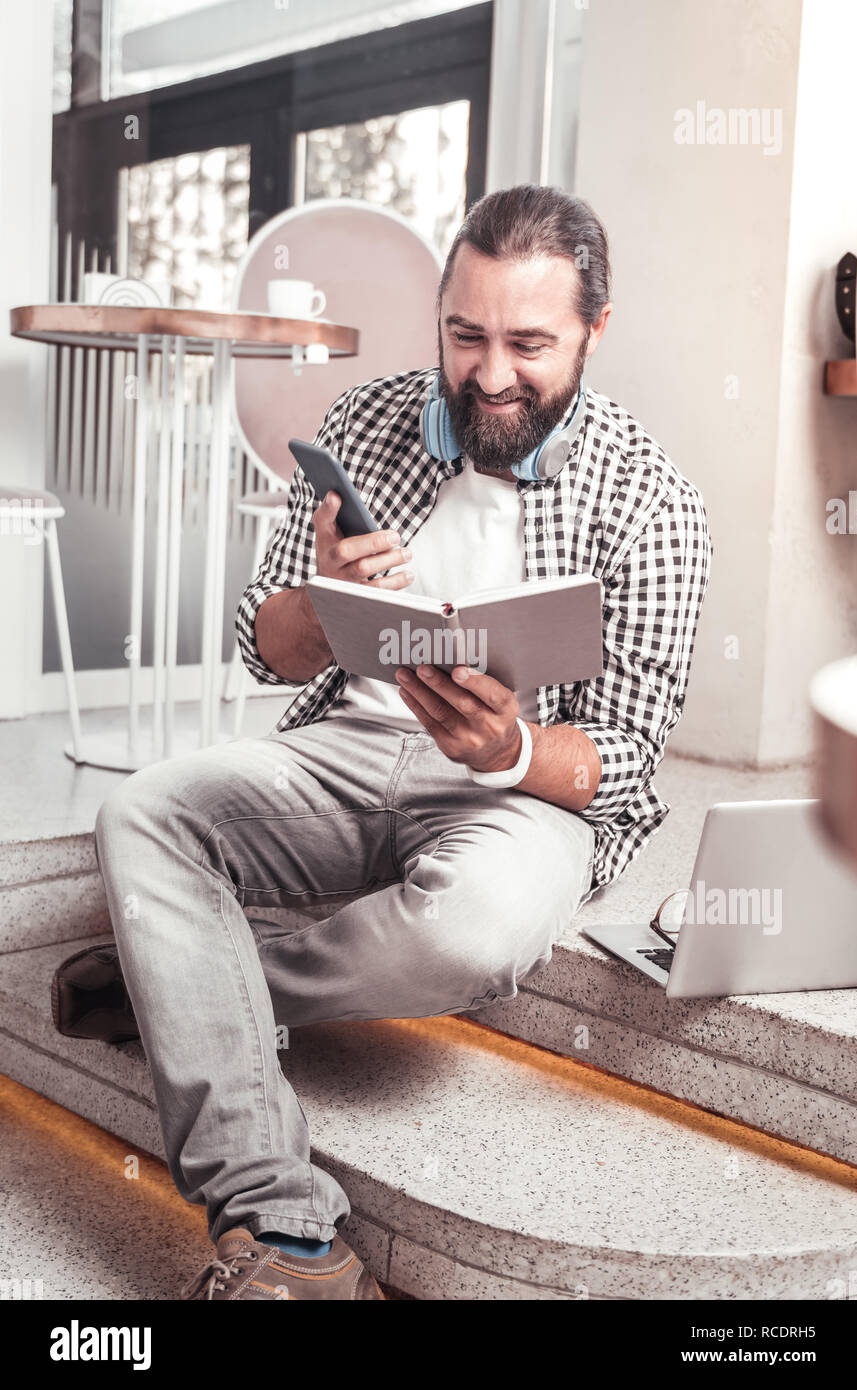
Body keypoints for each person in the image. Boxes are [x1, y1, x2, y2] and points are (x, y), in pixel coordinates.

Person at [93, 184, 712, 1301]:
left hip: (514, 797)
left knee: (476, 925)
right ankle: (286, 1233)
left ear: (594, 331)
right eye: (463, 334)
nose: (487, 373)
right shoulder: (363, 424)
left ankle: (190, 988)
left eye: (528, 343)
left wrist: (512, 749)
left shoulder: (653, 501)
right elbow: (263, 647)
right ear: (437, 313)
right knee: (144, 809)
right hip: (340, 750)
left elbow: (625, 752)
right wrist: (322, 599)